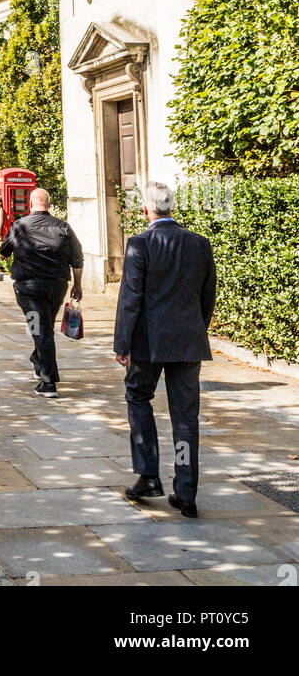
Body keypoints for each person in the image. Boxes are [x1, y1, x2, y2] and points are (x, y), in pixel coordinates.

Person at [114, 181, 217, 519]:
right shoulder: (199, 244)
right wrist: (195, 330)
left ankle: (148, 474)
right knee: (186, 418)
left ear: (146, 210)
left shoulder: (140, 244)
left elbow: (131, 297)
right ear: (173, 209)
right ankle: (186, 491)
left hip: (148, 342)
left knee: (138, 398)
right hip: (188, 342)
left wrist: (123, 343)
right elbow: (207, 297)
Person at [0, 187, 83, 398]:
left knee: (40, 330)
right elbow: (77, 259)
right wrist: (78, 285)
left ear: (30, 204)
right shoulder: (63, 227)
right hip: (56, 287)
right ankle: (38, 359)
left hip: (29, 289)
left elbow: (3, 251)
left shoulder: (19, 226)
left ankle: (48, 383)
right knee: (43, 328)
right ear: (50, 205)